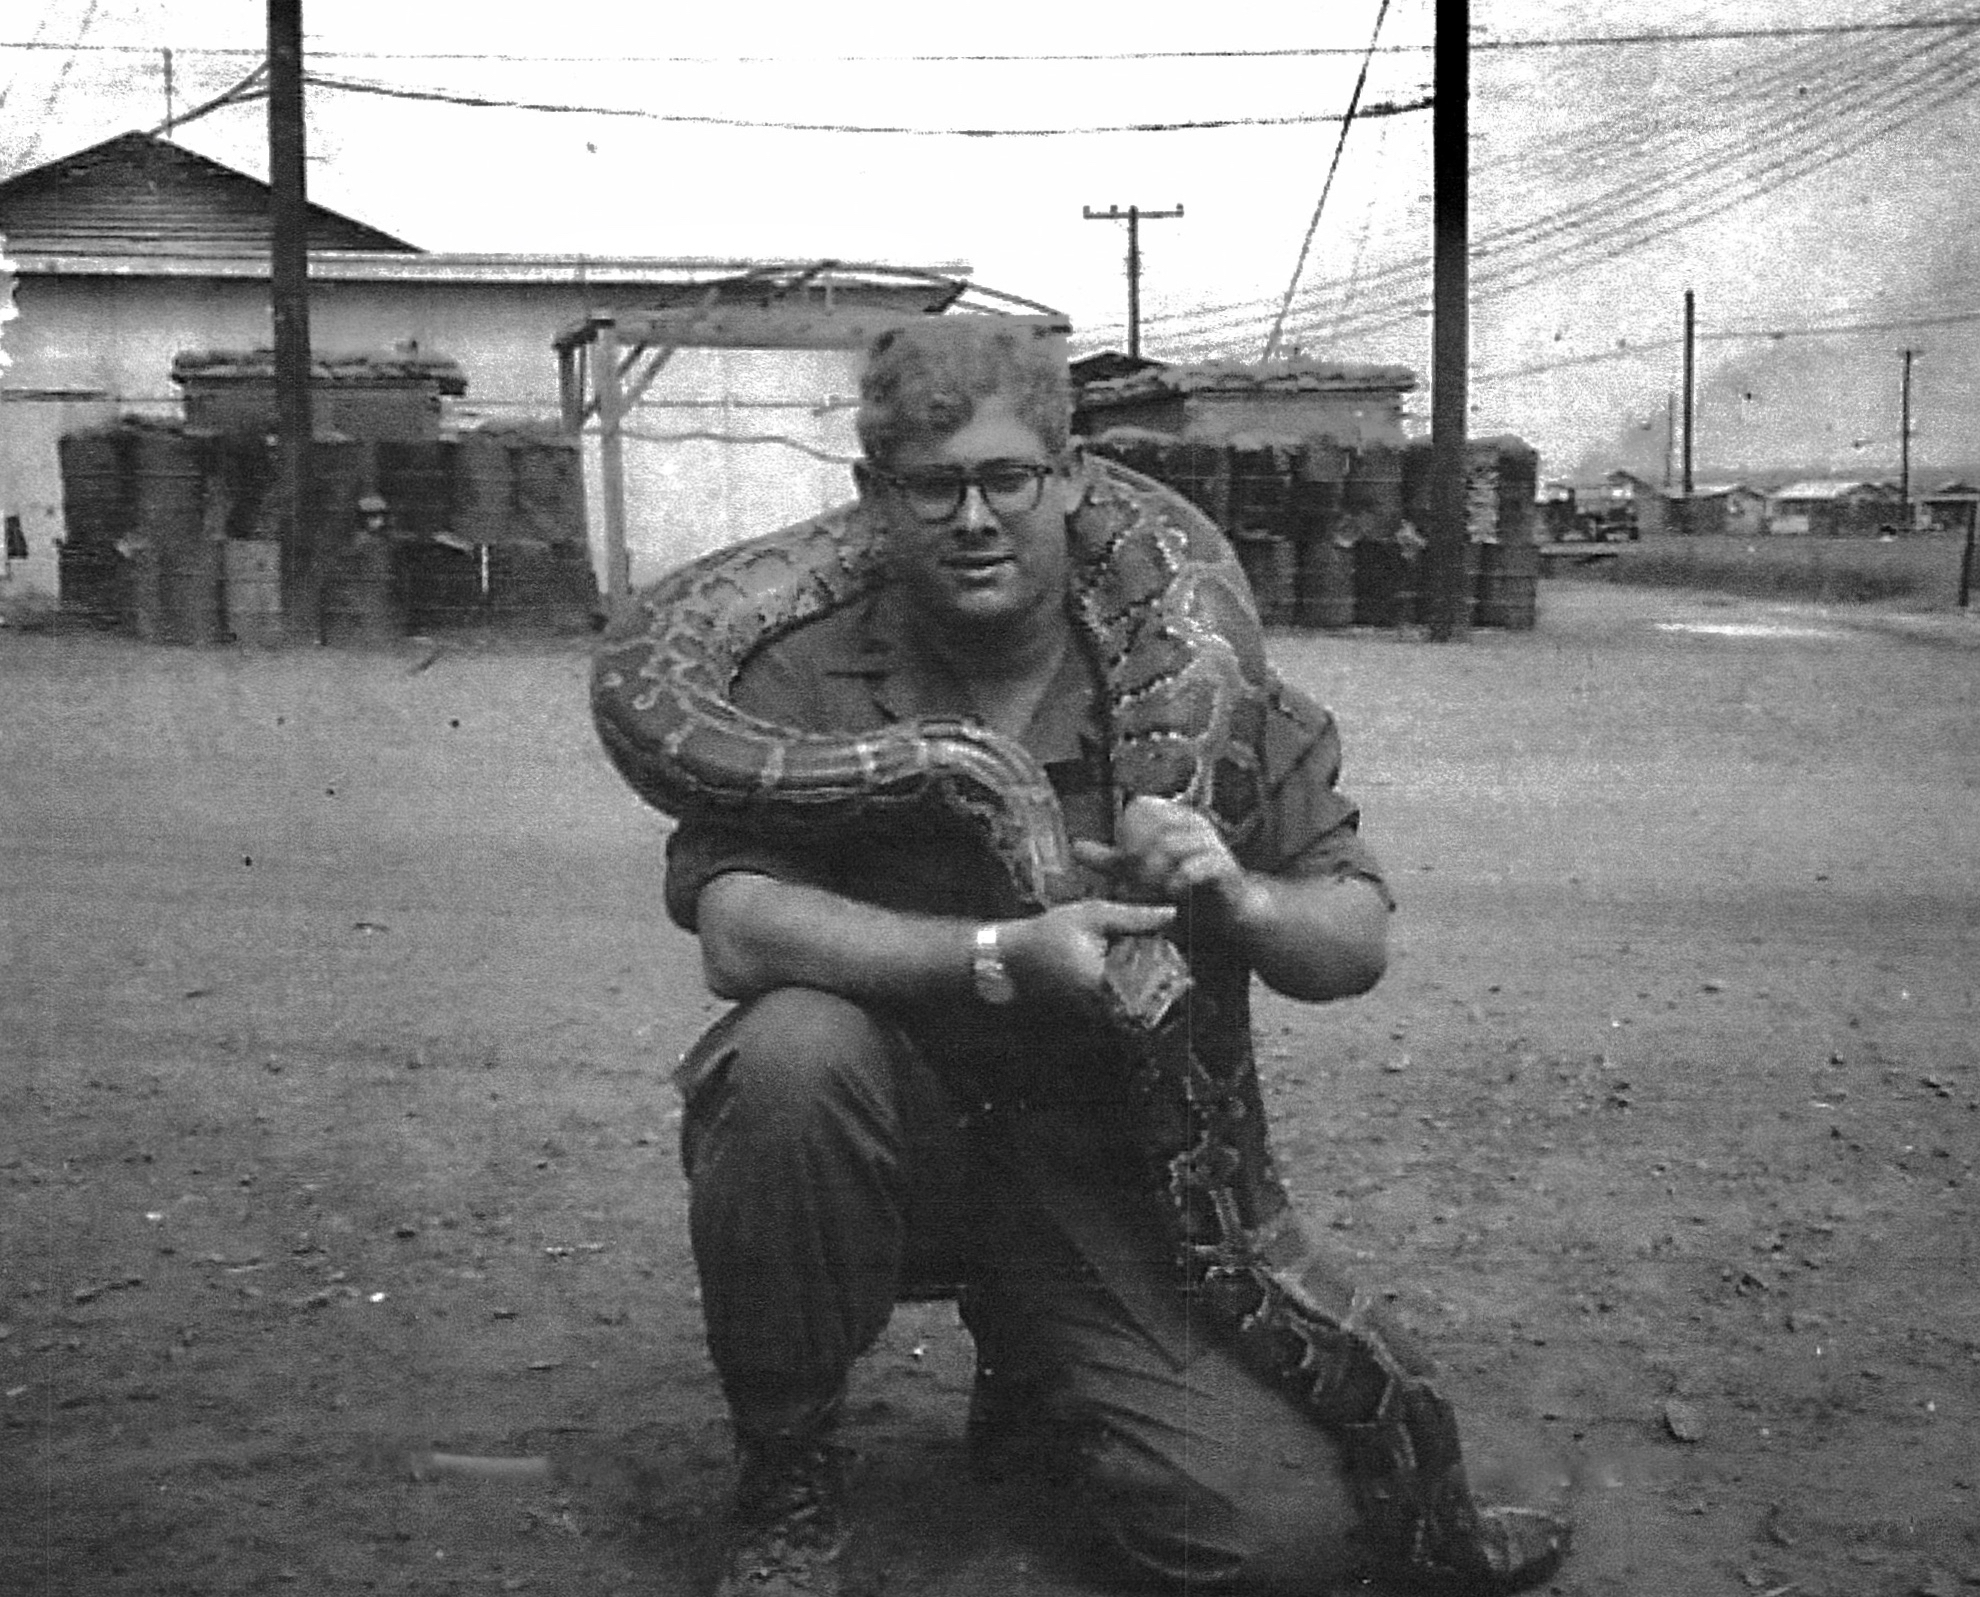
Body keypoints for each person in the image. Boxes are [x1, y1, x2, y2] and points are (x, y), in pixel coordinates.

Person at [652, 317, 1565, 1596]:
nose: (974, 517)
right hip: (894, 1146)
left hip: (1116, 1185)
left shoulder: (1202, 675)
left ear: (1073, 479)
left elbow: (1352, 939)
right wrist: (995, 955)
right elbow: (737, 927)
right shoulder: (802, 677)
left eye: (1008, 479)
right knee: (790, 1059)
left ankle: (1046, 1373)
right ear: (875, 500)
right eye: (934, 486)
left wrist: (1236, 894)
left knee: (1273, 1550)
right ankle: (788, 1468)